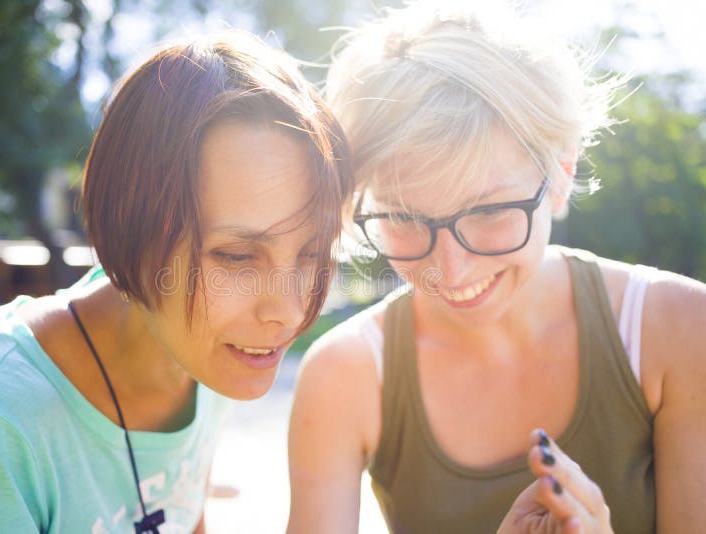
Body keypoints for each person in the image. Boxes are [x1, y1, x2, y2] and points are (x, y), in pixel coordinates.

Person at [0, 30, 351, 533]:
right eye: (237, 256)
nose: (289, 312)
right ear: (132, 230)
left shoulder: (209, 355)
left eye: (314, 253)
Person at [287, 2, 706, 533]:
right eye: (405, 217)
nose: (452, 269)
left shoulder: (681, 331)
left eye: (488, 211)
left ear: (561, 173)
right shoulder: (344, 375)